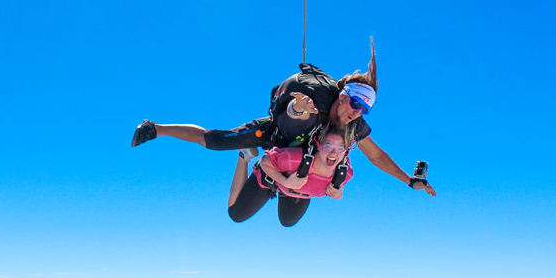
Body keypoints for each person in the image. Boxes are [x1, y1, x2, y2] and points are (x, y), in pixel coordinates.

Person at [130, 41, 436, 196]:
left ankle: (281, 184)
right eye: (356, 102)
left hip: (300, 152)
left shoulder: (353, 125)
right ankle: (156, 128)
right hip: (277, 132)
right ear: (343, 96)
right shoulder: (317, 96)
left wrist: (410, 182)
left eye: (365, 108)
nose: (358, 111)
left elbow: (377, 156)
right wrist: (297, 110)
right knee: (215, 140)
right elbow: (291, 112)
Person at [226, 125, 353, 226]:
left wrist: (338, 195)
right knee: (236, 214)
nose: (333, 153)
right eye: (328, 146)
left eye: (340, 148)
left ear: (345, 152)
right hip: (272, 176)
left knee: (287, 221)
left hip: (296, 190)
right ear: (319, 146)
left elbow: (338, 190)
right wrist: (284, 181)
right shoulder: (293, 159)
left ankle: (284, 188)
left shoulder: (343, 173)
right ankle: (244, 155)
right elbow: (266, 163)